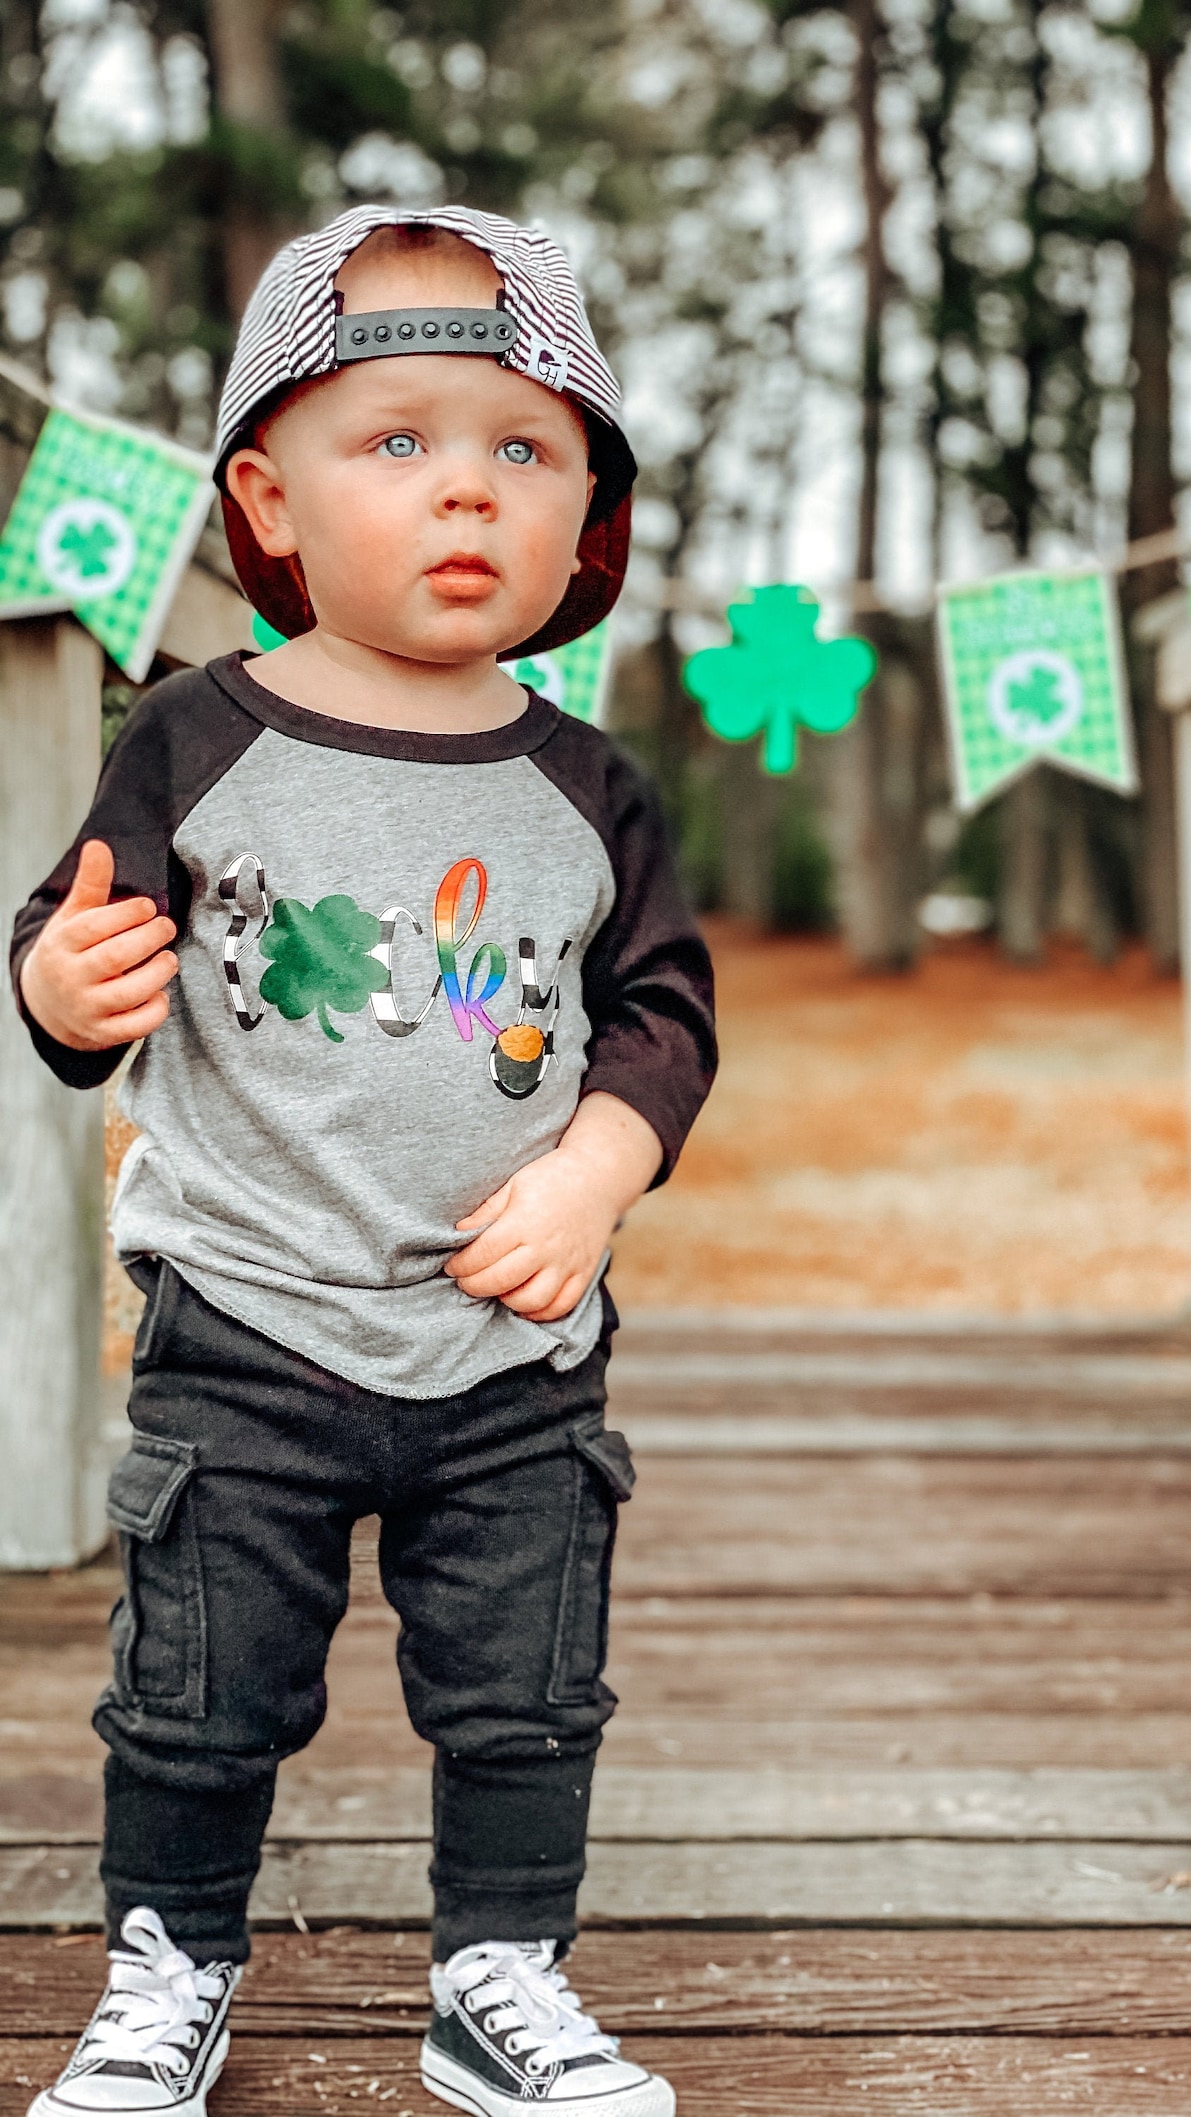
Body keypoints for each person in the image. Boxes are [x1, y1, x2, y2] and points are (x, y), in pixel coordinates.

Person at [9, 204, 715, 2117]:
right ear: (271, 497)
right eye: (397, 440)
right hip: (246, 1323)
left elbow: (663, 1013)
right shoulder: (193, 737)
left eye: (524, 449)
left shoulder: (589, 787)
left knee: (528, 1689)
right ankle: (170, 1965)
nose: (466, 489)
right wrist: (63, 982)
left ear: (588, 517)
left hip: (511, 1346)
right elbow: (76, 942)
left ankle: (501, 1972)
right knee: (198, 1685)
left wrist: (595, 1172)